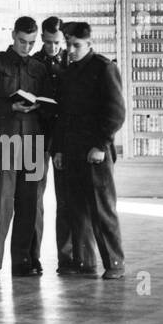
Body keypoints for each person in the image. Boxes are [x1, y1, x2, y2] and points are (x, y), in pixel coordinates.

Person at [0, 17, 50, 280]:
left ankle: (23, 262)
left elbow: (48, 105)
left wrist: (39, 105)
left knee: (30, 203)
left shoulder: (39, 69)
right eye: (22, 41)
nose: (26, 47)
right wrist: (10, 106)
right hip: (3, 139)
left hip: (34, 139)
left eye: (31, 42)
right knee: (0, 203)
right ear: (12, 35)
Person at [53, 21, 126, 280]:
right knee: (76, 209)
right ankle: (84, 262)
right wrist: (59, 150)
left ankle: (114, 263)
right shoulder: (67, 72)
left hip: (95, 152)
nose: (71, 50)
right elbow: (62, 116)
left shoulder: (104, 68)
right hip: (71, 151)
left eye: (77, 45)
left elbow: (116, 113)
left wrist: (100, 144)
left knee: (101, 209)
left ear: (89, 44)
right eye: (68, 45)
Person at [37, 16, 87, 275]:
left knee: (66, 199)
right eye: (47, 42)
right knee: (33, 199)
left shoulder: (73, 63)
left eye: (57, 43)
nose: (52, 48)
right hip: (37, 136)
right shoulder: (33, 63)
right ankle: (30, 259)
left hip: (63, 139)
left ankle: (67, 258)